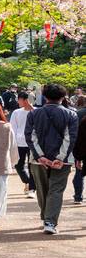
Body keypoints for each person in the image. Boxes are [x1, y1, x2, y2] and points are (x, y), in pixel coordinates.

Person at [26, 83, 78, 234]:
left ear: (45, 96)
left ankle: (45, 217)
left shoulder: (34, 114)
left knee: (42, 190)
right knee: (56, 191)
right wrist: (60, 158)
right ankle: (50, 222)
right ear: (63, 97)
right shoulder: (71, 114)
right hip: (63, 160)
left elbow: (31, 137)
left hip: (38, 159)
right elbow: (70, 138)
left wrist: (40, 157)